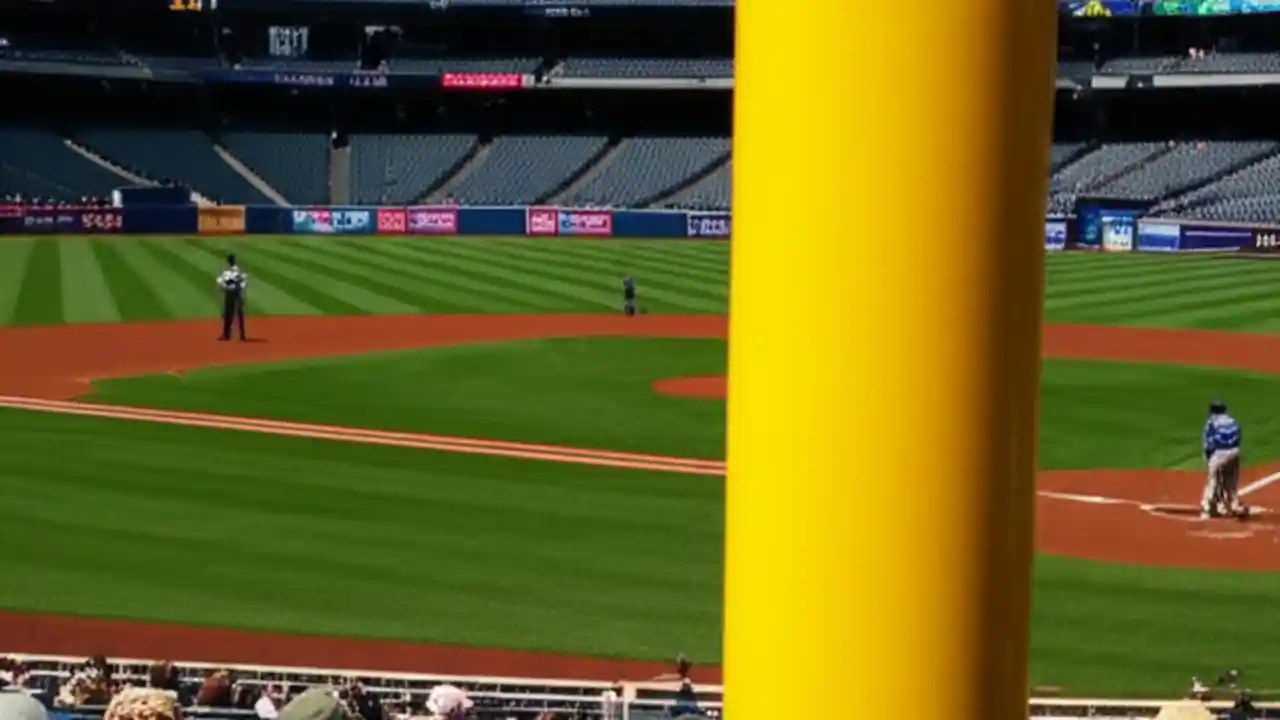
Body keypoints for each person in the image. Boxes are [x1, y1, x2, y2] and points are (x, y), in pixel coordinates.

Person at [1202, 399, 1244, 519]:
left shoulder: (1211, 422)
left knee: (1213, 479)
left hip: (1220, 453)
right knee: (1231, 482)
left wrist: (1210, 461)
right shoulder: (1232, 421)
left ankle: (1209, 505)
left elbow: (1208, 444)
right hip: (1235, 452)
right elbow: (1238, 436)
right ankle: (1234, 504)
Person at [216, 253, 249, 341]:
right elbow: (220, 280)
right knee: (230, 313)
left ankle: (238, 335)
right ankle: (230, 334)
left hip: (234, 293)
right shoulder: (230, 271)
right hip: (233, 293)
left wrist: (225, 287)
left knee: (236, 313)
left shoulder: (234, 271)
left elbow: (244, 280)